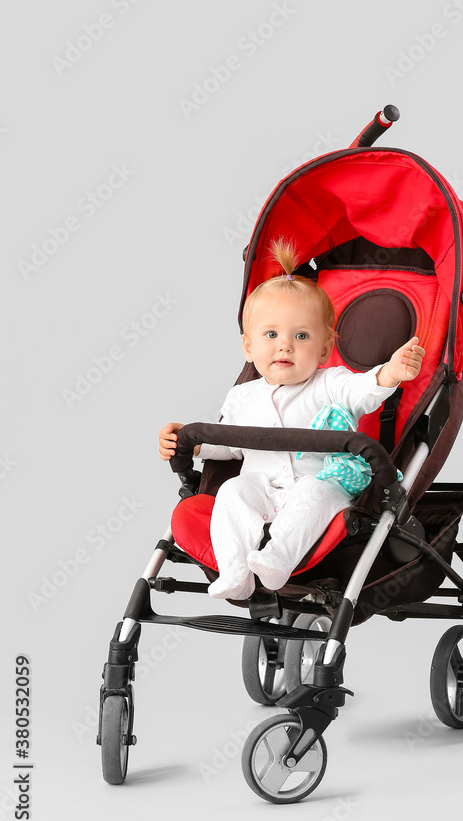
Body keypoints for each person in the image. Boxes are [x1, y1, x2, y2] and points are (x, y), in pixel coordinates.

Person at [159, 239, 425, 600]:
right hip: (261, 487)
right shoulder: (242, 396)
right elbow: (230, 447)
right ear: (248, 347)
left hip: (316, 486)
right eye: (271, 335)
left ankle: (275, 560)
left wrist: (388, 374)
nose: (285, 345)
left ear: (325, 349)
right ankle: (236, 570)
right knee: (232, 492)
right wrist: (191, 443)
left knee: (315, 493)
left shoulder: (330, 382)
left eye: (301, 336)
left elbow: (362, 391)